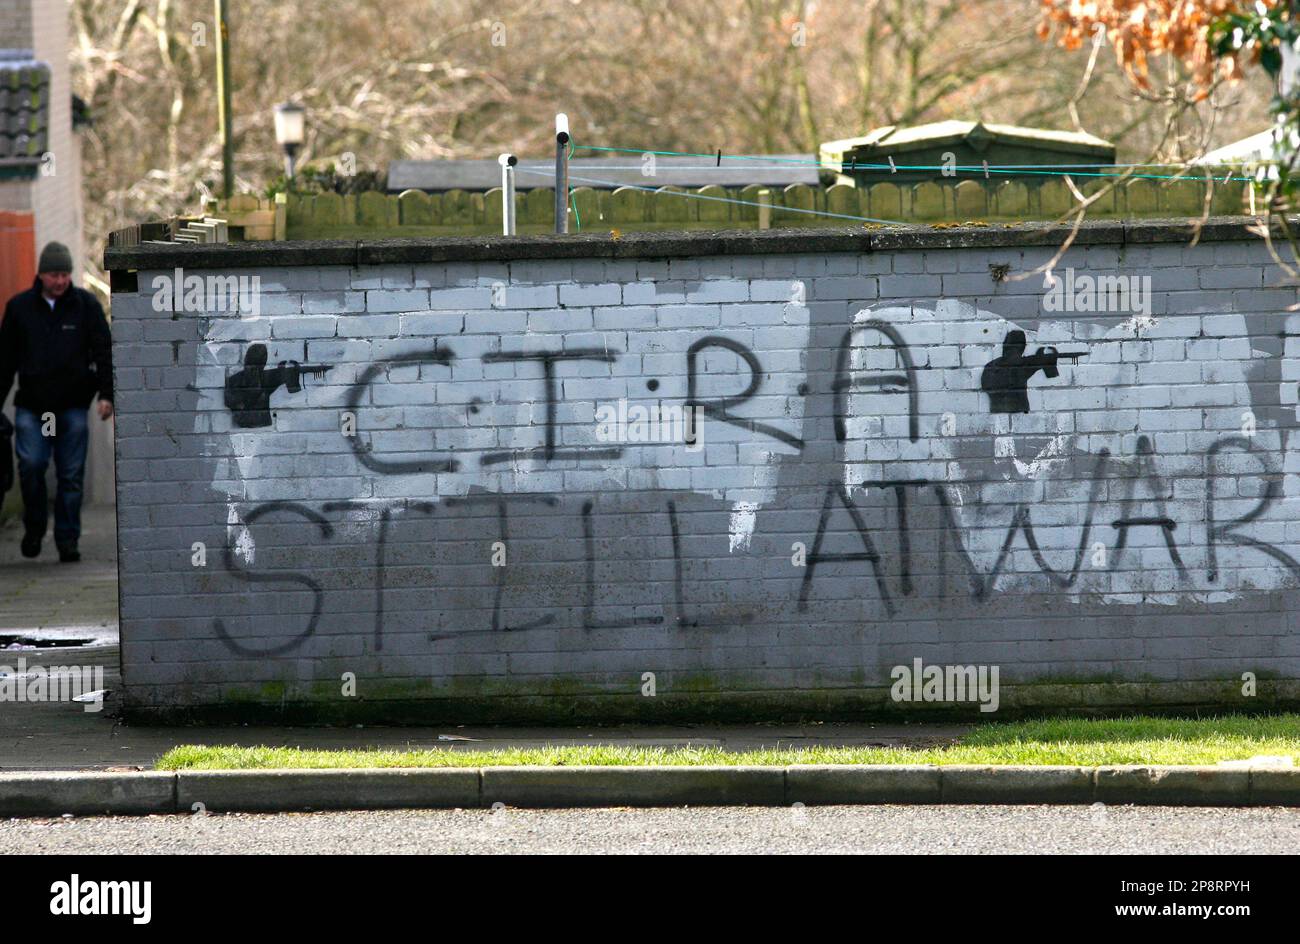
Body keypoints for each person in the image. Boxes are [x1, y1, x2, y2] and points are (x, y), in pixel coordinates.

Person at [0, 242, 113, 563]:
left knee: (71, 475)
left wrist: (106, 395)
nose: (60, 281)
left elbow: (103, 351)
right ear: (41, 275)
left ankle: (67, 539)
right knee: (32, 465)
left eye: (64, 274)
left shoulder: (85, 307)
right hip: (34, 407)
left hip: (72, 406)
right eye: (54, 275)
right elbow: (4, 363)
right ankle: (34, 527)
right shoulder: (20, 309)